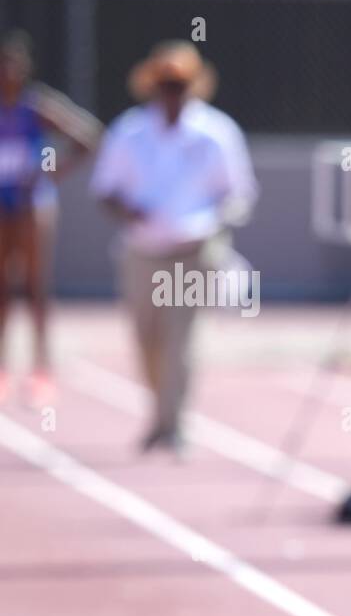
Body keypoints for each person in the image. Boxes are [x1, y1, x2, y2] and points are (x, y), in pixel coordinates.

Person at [90, 41, 257, 454]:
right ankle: (161, 416)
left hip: (193, 251)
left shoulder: (217, 132)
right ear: (153, 86)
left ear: (193, 86)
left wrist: (216, 220)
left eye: (179, 84)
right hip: (143, 250)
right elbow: (105, 190)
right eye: (165, 84)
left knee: (182, 339)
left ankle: (175, 425)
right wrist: (131, 212)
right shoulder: (129, 131)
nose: (172, 92)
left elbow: (239, 193)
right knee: (148, 339)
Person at [0, 30, 100, 406]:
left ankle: (41, 369)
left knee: (34, 286)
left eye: (15, 65)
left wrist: (51, 169)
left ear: (25, 69)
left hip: (32, 205)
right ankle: (3, 368)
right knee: (2, 290)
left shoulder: (36, 106)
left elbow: (88, 136)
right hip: (1, 204)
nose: (8, 72)